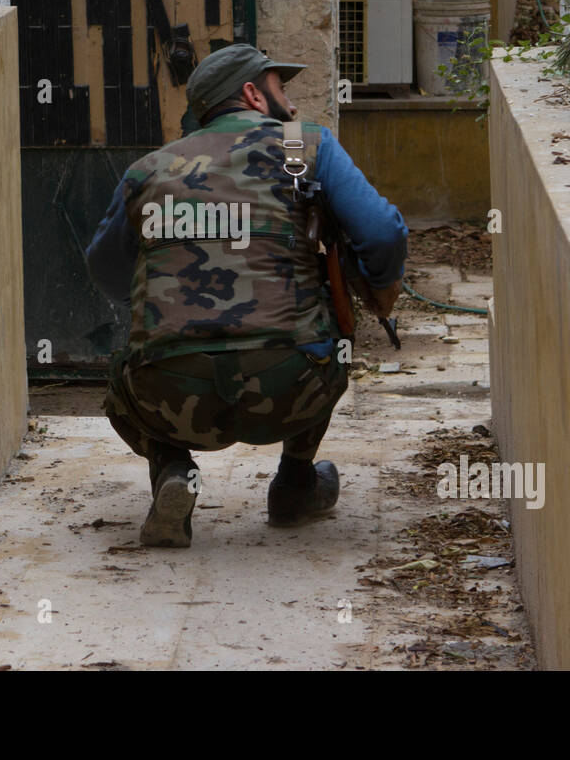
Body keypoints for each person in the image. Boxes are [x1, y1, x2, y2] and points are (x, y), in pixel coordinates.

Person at [85, 44, 407, 547]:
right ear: (254, 94)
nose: (293, 108)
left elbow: (105, 270)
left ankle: (172, 470)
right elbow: (383, 232)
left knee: (124, 369)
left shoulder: (150, 168)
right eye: (283, 89)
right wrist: (378, 289)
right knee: (329, 330)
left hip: (169, 395)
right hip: (289, 386)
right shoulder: (303, 146)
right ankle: (295, 484)